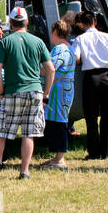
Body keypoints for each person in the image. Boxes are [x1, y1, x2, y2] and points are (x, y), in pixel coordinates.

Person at [0, 6, 53, 180]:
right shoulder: (38, 41)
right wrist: (46, 93)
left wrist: (1, 91)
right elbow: (51, 69)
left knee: (1, 133)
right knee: (28, 133)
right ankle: (24, 171)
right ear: (27, 22)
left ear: (10, 23)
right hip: (34, 91)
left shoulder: (5, 42)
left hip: (12, 91)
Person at [73, 10, 108, 160]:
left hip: (90, 77)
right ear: (94, 21)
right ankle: (106, 151)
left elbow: (77, 58)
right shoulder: (106, 36)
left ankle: (93, 152)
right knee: (107, 115)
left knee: (91, 116)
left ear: (81, 24)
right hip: (107, 77)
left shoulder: (80, 39)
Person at [40, 19, 78, 170]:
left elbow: (50, 69)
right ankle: (57, 157)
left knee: (58, 124)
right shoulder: (68, 48)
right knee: (59, 122)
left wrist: (34, 69)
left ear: (55, 32)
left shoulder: (60, 50)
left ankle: (59, 159)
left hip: (58, 92)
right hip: (64, 91)